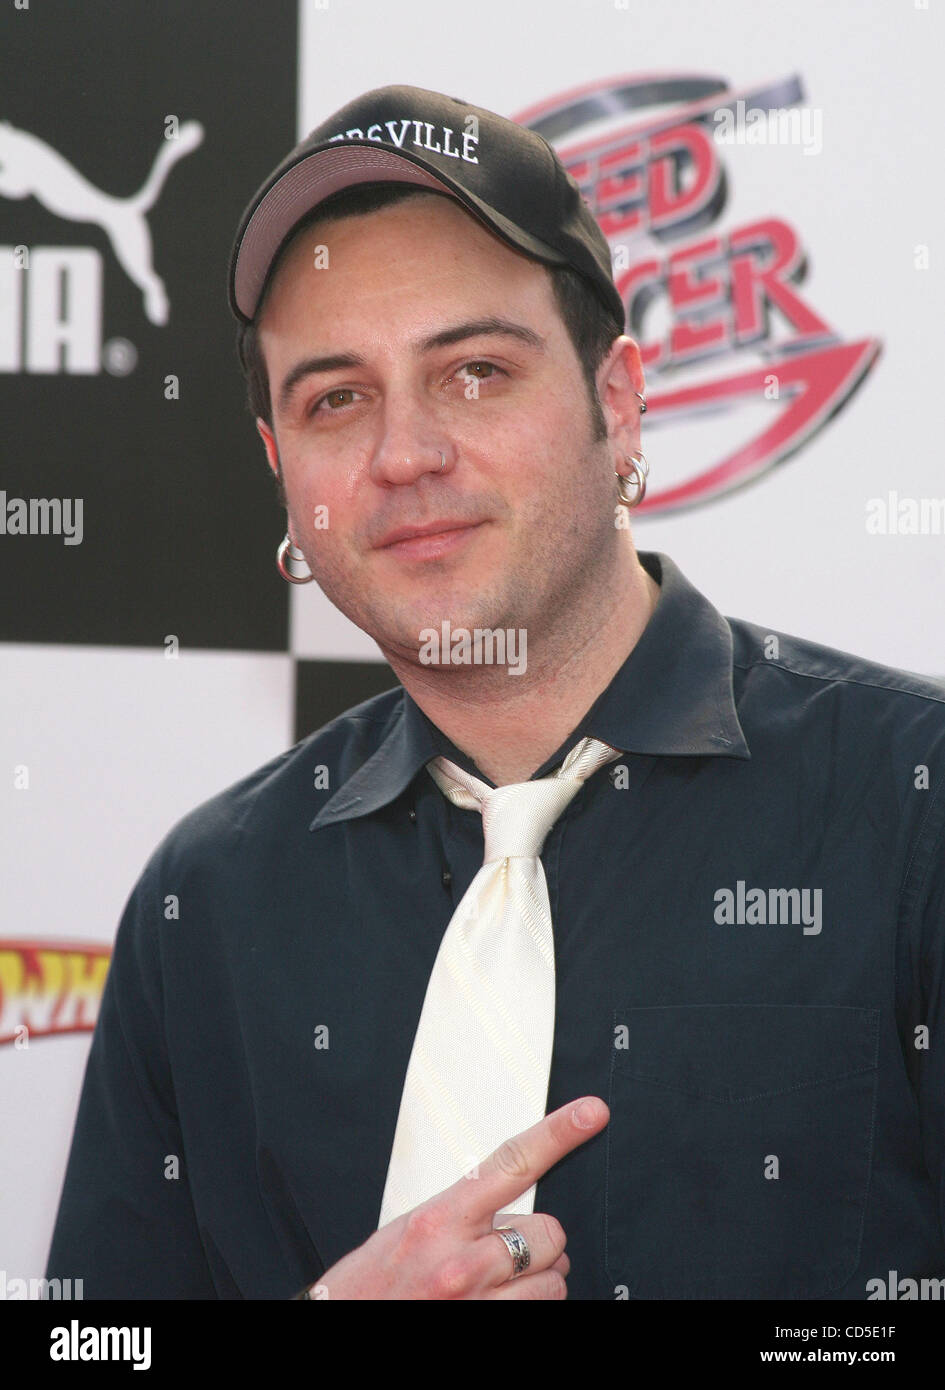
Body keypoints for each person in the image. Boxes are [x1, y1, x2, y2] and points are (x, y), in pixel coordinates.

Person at [45, 84, 945, 1301]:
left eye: (473, 371)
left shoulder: (912, 806)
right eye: (336, 398)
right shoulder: (203, 902)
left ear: (617, 400)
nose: (405, 454)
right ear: (279, 469)